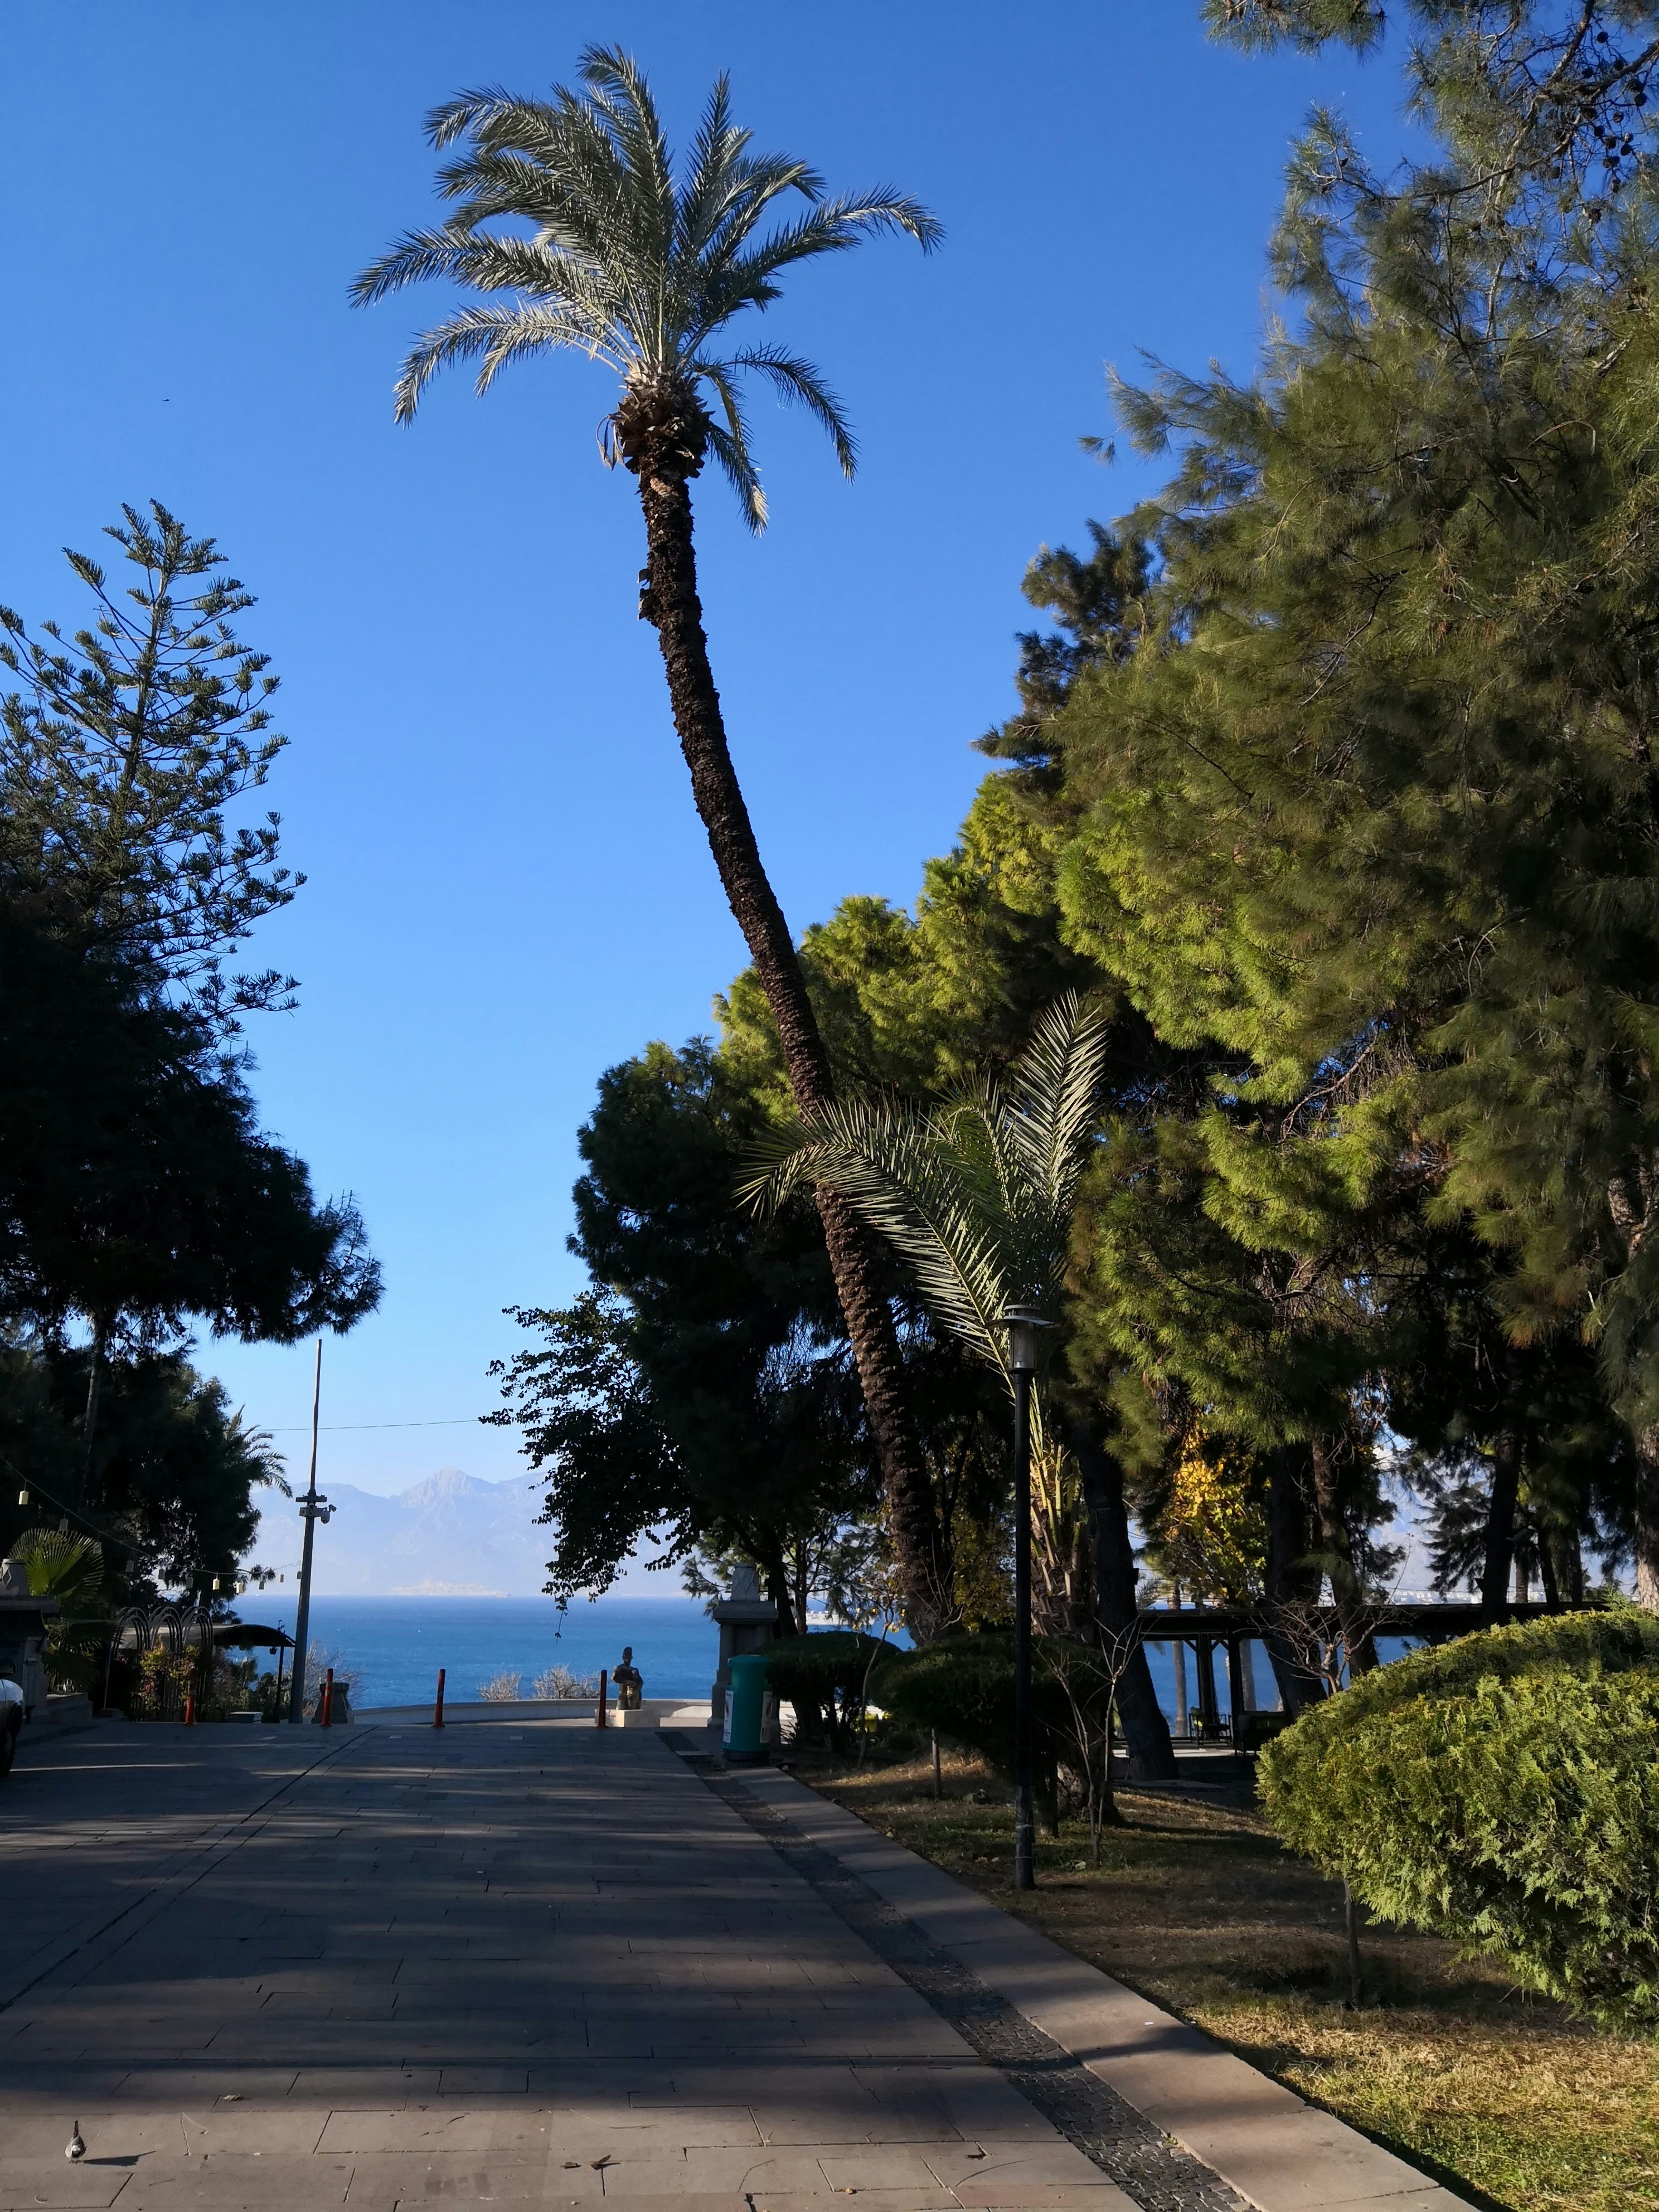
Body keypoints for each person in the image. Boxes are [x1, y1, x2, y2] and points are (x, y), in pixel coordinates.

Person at [612, 1646, 643, 1710]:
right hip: (623, 1694)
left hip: (632, 1696)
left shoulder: (634, 1670)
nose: (627, 1658)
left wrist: (636, 1686)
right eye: (626, 1656)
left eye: (629, 1656)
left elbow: (641, 1682)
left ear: (631, 1658)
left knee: (633, 1710)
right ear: (623, 1657)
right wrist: (626, 1682)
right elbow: (615, 1678)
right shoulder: (619, 1668)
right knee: (620, 1709)